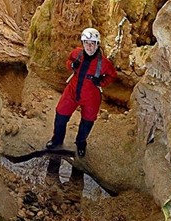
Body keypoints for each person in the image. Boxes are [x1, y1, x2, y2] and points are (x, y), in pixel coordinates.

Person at [45, 27, 117, 157]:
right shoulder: (77, 53)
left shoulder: (104, 63)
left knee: (87, 121)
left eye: (92, 43)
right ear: (82, 43)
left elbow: (112, 76)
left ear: (97, 44)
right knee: (60, 115)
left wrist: (101, 82)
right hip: (72, 91)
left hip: (91, 96)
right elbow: (69, 60)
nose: (89, 47)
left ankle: (81, 143)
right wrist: (71, 65)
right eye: (86, 43)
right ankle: (57, 141)